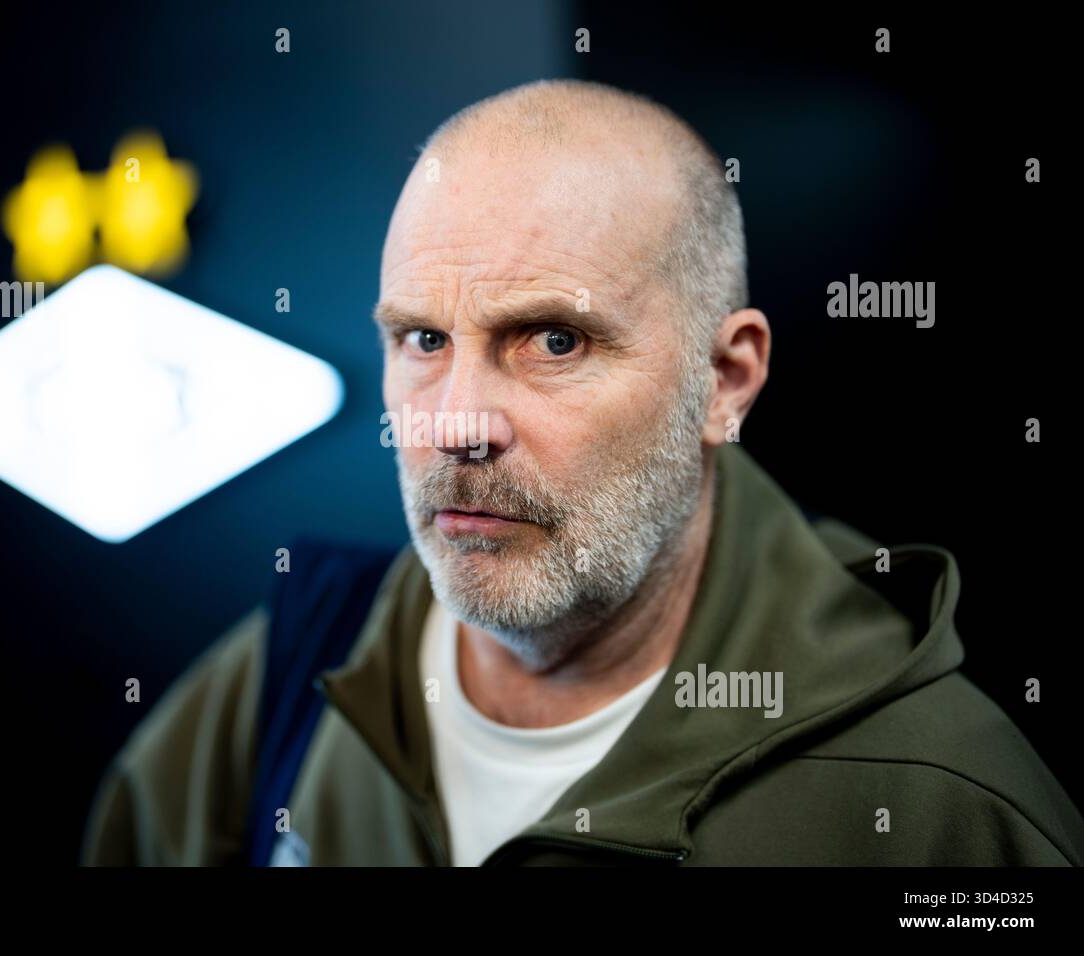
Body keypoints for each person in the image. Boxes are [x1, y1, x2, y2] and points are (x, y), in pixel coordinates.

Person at [81, 79, 1083, 866]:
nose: (458, 423)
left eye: (552, 339)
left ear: (723, 381)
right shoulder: (301, 667)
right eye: (423, 337)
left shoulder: (932, 804)